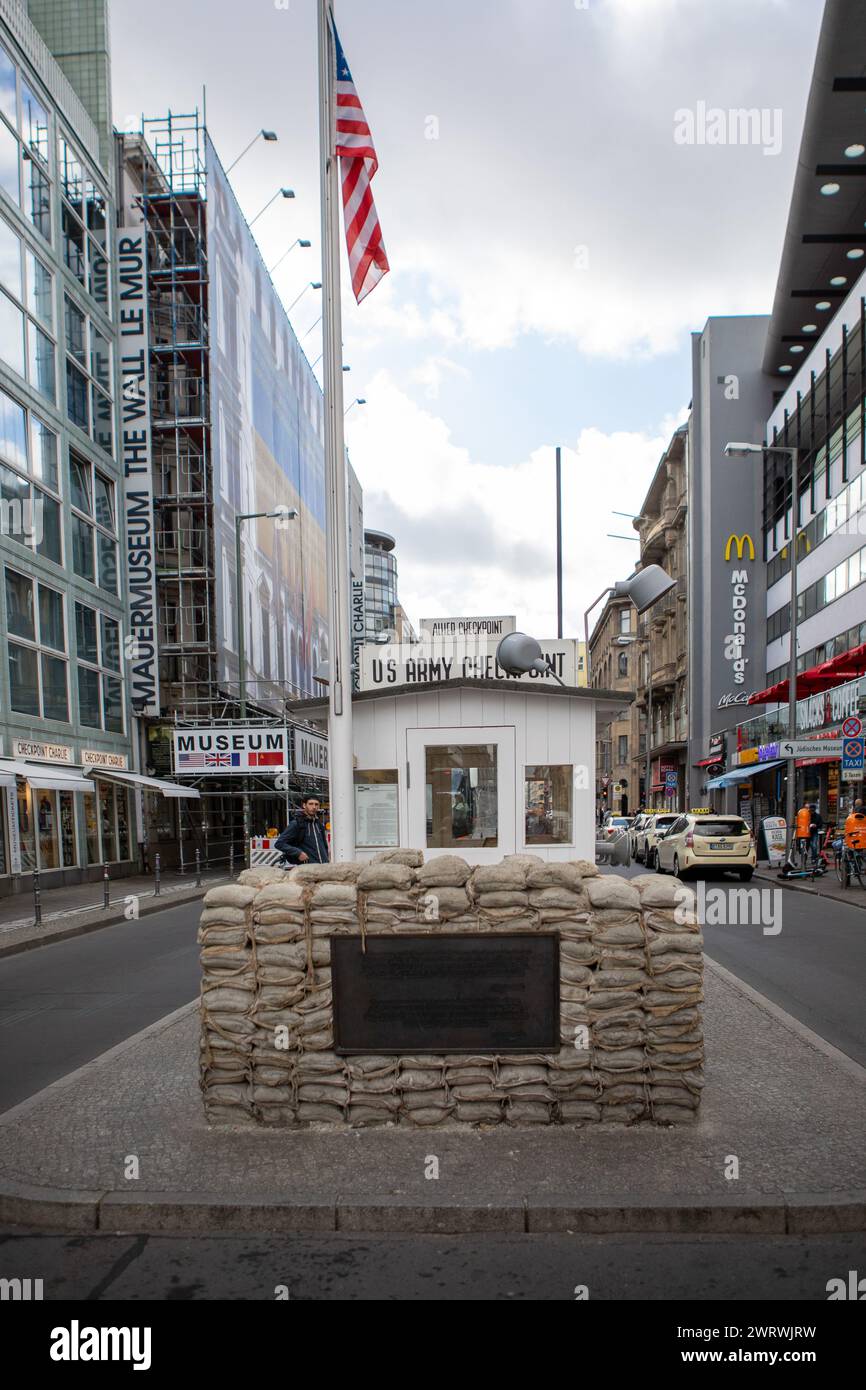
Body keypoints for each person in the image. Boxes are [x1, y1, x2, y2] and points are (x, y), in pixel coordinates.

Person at [275, 795, 330, 865]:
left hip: (323, 867)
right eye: (310, 804)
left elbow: (324, 846)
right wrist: (298, 853)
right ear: (304, 805)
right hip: (307, 868)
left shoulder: (319, 824)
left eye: (316, 804)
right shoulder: (297, 824)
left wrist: (327, 860)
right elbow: (279, 843)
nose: (314, 807)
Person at [794, 801, 812, 866]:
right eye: (806, 807)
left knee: (806, 848)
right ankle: (802, 859)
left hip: (807, 834)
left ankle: (804, 860)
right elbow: (797, 823)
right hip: (801, 834)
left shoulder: (810, 814)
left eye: (808, 807)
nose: (808, 809)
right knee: (801, 848)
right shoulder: (801, 813)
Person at [808, 802, 824, 867]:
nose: (812, 811)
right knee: (810, 846)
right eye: (811, 810)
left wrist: (816, 826)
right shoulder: (807, 815)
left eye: (813, 810)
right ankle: (812, 857)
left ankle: (813, 858)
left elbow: (820, 824)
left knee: (814, 846)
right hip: (807, 833)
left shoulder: (818, 816)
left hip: (814, 832)